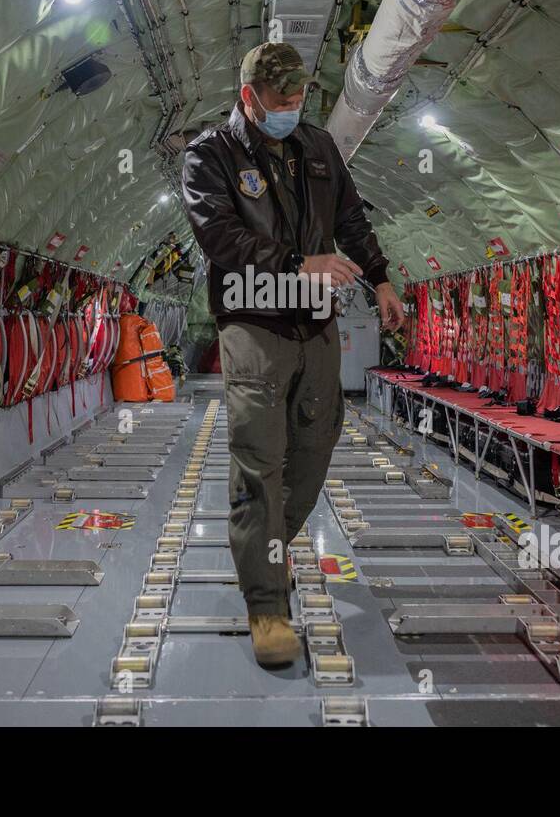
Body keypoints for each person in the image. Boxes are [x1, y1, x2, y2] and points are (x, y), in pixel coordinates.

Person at [180, 41, 404, 667]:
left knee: (314, 449)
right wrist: (299, 264)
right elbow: (220, 237)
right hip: (253, 321)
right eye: (280, 101)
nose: (292, 109)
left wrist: (381, 278)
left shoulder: (319, 148)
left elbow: (352, 218)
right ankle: (267, 606)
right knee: (259, 461)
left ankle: (270, 556)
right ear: (249, 98)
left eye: (300, 99)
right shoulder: (209, 156)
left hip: (315, 325)